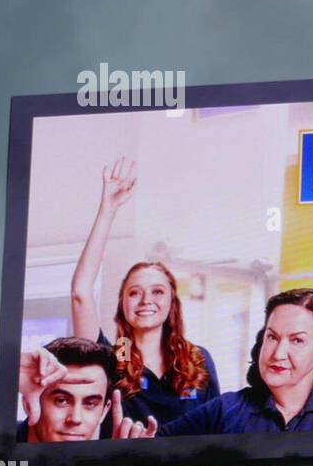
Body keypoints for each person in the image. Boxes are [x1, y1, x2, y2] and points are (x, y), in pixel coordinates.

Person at [70, 156, 220, 426]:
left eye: (157, 292)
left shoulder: (198, 359)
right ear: (122, 305)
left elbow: (216, 434)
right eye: (134, 292)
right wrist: (108, 209)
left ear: (172, 303)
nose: (146, 300)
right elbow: (81, 292)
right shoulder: (114, 357)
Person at [159, 288, 313, 435]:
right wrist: (132, 439)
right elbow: (155, 444)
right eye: (272, 337)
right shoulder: (226, 409)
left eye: (297, 340)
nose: (278, 353)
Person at [17, 336, 157, 442]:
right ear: (28, 405)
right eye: (61, 401)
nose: (76, 419)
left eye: (90, 404)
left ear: (104, 411)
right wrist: (6, 369)